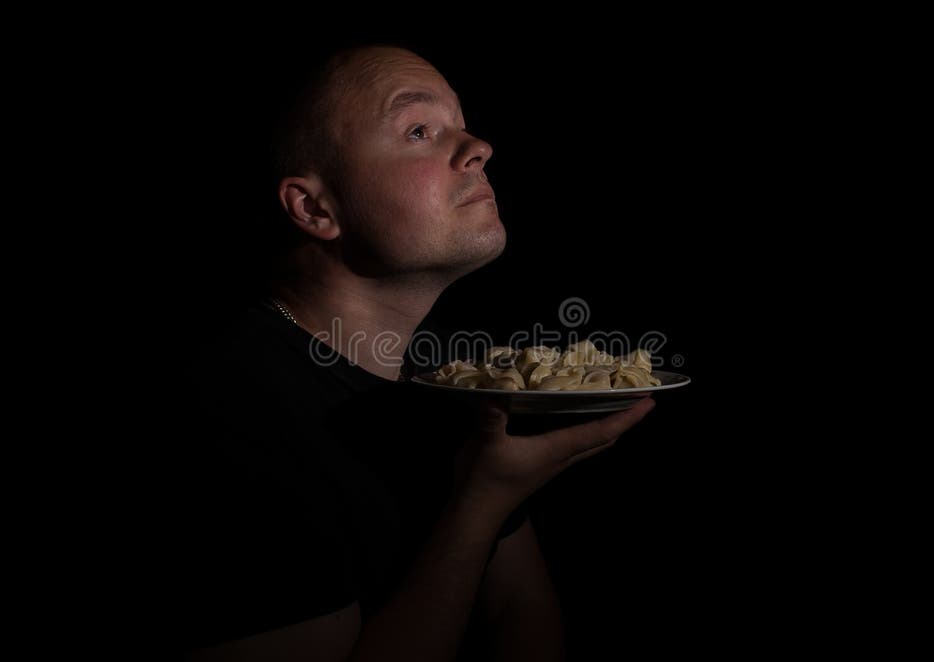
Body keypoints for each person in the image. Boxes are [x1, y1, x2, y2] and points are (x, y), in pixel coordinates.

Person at [165, 44, 656, 661]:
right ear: (316, 208)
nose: (479, 146)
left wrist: (494, 494)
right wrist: (483, 503)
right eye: (420, 129)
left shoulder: (445, 388)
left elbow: (520, 615)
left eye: (461, 122)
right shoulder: (228, 414)